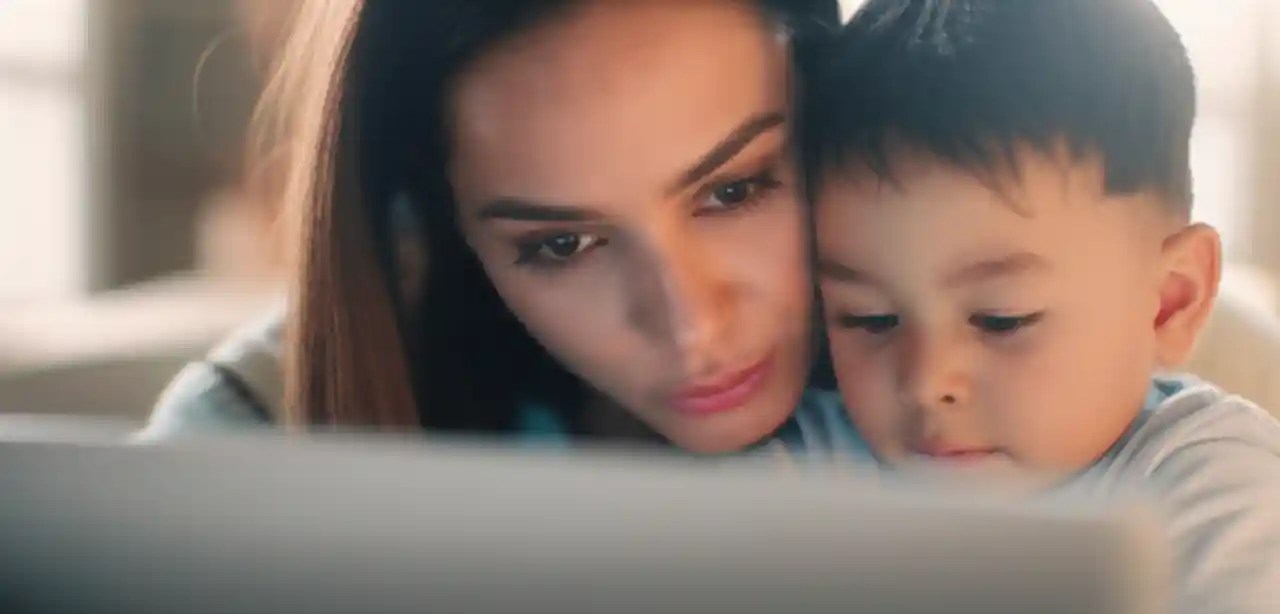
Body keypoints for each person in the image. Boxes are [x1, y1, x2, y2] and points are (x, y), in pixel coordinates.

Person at [797, 0, 1280, 614]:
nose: (926, 381)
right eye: (870, 318)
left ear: (1167, 303)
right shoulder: (804, 459)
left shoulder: (1206, 478)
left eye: (1002, 320)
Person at [144, 0, 842, 454]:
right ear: (448, 224)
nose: (692, 326)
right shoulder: (246, 437)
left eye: (733, 191)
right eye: (562, 246)